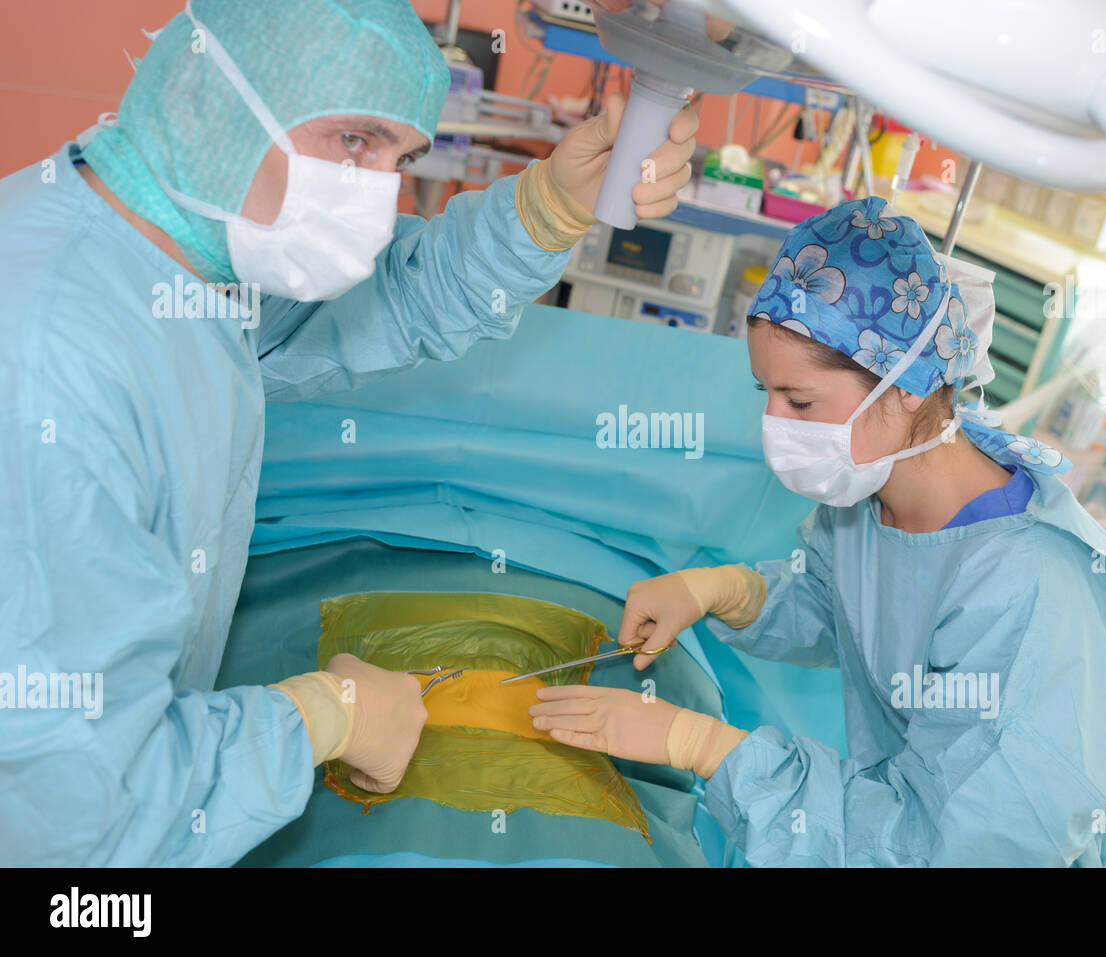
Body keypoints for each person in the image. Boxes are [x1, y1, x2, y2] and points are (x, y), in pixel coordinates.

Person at [0, 0, 696, 866]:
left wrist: (549, 206)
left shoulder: (188, 266)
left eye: (401, 159)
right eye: (353, 143)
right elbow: (70, 819)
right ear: (205, 99)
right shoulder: (50, 369)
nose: (374, 194)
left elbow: (386, 302)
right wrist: (319, 720)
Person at [530, 196, 1106, 866]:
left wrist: (705, 747)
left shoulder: (1028, 597)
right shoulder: (871, 490)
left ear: (907, 386)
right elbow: (842, 602)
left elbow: (939, 848)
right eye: (767, 395)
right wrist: (726, 590)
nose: (775, 426)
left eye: (800, 401)